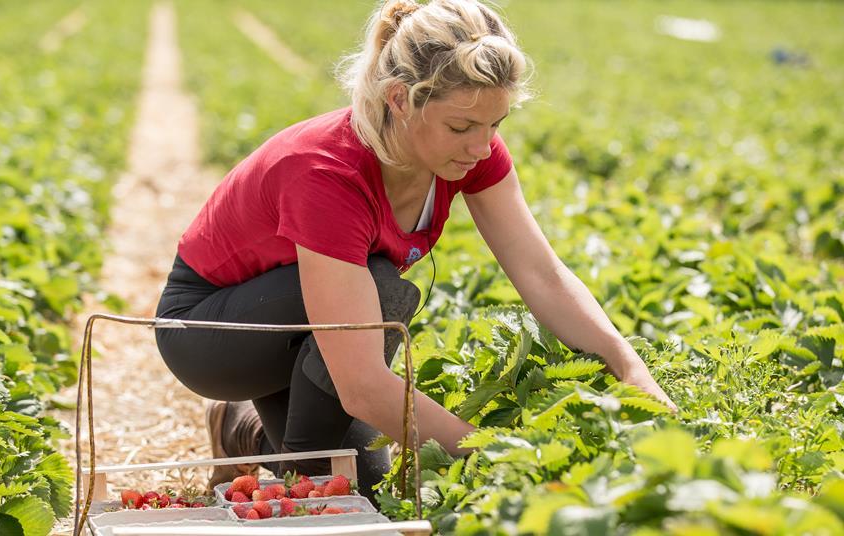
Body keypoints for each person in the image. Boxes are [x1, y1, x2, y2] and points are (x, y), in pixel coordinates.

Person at [154, 0, 676, 501]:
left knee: (367, 487)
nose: (481, 146)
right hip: (211, 333)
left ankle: (240, 427)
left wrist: (629, 366)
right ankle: (297, 464)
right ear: (399, 99)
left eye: (495, 125)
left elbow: (540, 273)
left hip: (314, 321)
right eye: (461, 126)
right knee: (380, 297)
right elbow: (360, 385)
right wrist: (496, 454)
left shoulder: (470, 153)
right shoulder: (327, 173)